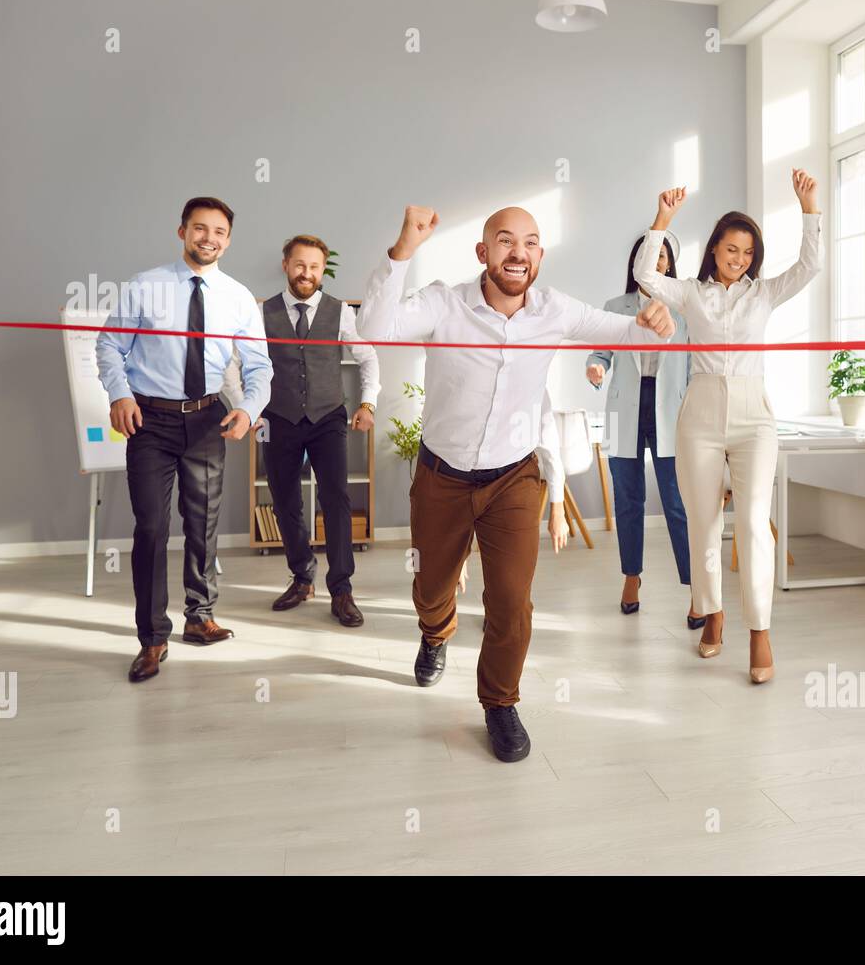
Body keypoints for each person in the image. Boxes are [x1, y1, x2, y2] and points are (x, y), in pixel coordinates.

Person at [357, 204, 673, 762]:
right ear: (483, 253)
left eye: (529, 243)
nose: (517, 252)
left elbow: (630, 331)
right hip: (442, 475)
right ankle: (435, 633)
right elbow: (374, 329)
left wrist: (656, 323)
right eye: (505, 242)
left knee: (511, 599)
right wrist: (404, 247)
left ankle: (499, 702)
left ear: (540, 258)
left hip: (513, 477)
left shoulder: (555, 310)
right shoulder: (444, 302)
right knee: (430, 589)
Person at [634, 169, 822, 684]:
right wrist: (662, 221)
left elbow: (811, 265)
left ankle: (759, 632)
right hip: (699, 411)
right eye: (730, 250)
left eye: (747, 252)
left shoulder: (764, 294)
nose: (739, 259)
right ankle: (711, 614)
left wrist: (809, 209)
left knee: (756, 521)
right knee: (704, 522)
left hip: (753, 415)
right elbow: (646, 278)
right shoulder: (693, 294)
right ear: (714, 249)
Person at [96, 196, 272, 683]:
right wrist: (119, 394)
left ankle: (200, 616)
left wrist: (247, 408)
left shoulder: (238, 297)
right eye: (200, 229)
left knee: (203, 522)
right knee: (151, 527)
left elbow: (258, 365)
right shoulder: (146, 286)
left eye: (218, 231)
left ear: (228, 240)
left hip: (207, 419)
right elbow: (110, 344)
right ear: (182, 232)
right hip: (149, 420)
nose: (209, 238)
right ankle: (152, 638)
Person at [256, 235, 380, 627]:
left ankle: (341, 589)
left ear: (321, 269)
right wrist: (249, 409)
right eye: (299, 265)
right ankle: (302, 576)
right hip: (278, 418)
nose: (307, 274)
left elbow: (368, 356)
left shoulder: (340, 312)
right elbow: (245, 362)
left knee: (336, 499)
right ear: (286, 265)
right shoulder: (263, 313)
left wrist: (368, 402)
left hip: (328, 417)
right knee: (285, 500)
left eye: (314, 267)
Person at [585, 234, 701, 628]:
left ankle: (696, 589)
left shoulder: (686, 310)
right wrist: (597, 368)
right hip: (623, 407)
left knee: (678, 502)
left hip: (672, 409)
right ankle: (631, 578)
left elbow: (693, 365)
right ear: (637, 262)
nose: (655, 260)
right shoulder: (615, 308)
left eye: (662, 255)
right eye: (647, 254)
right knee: (628, 499)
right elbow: (600, 351)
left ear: (668, 264)